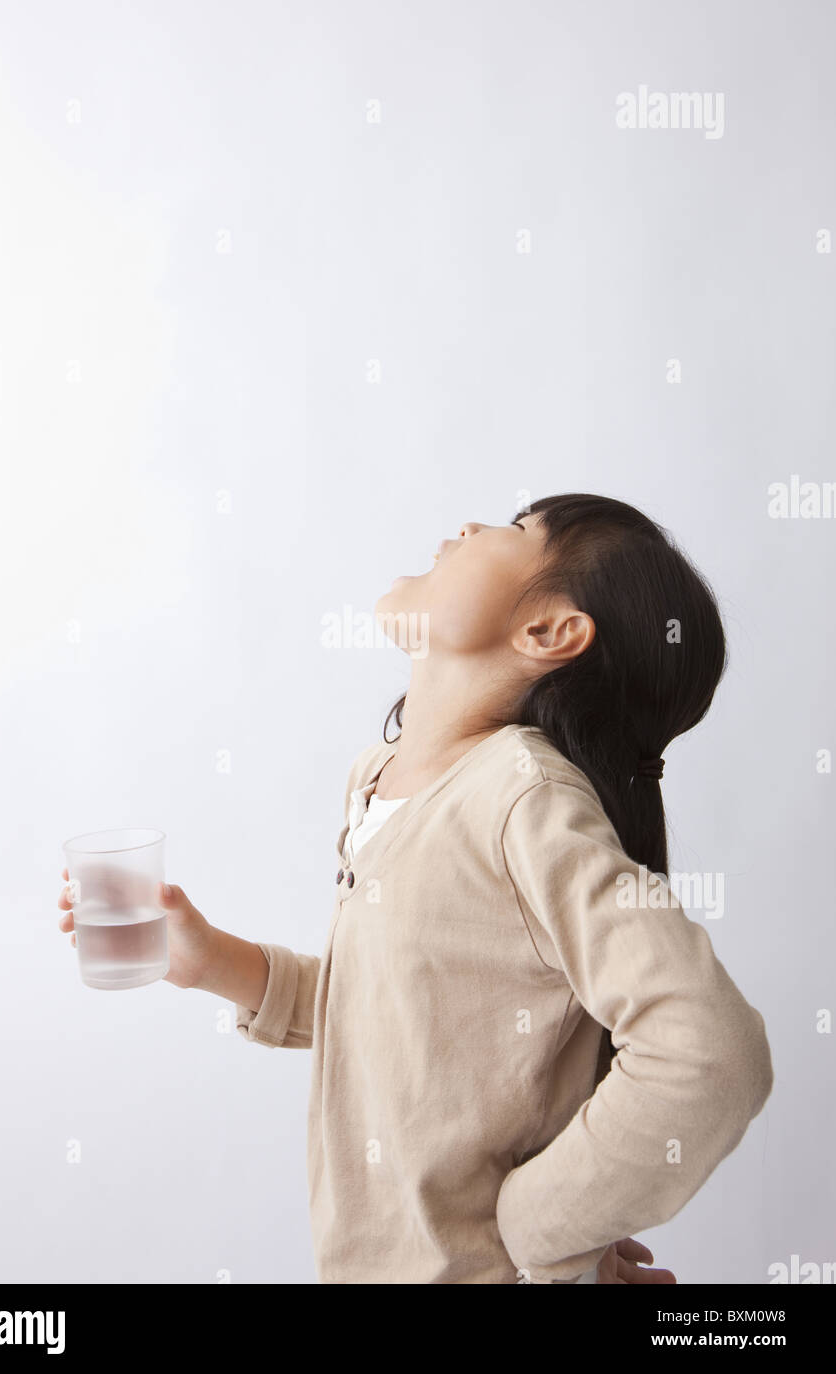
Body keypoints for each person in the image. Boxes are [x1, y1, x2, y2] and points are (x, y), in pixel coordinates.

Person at [58, 493, 773, 1284]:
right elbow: (401, 1019)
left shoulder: (522, 801)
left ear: (549, 632)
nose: (470, 527)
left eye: (519, 529)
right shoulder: (378, 779)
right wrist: (210, 961)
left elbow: (712, 1053)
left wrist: (544, 1220)